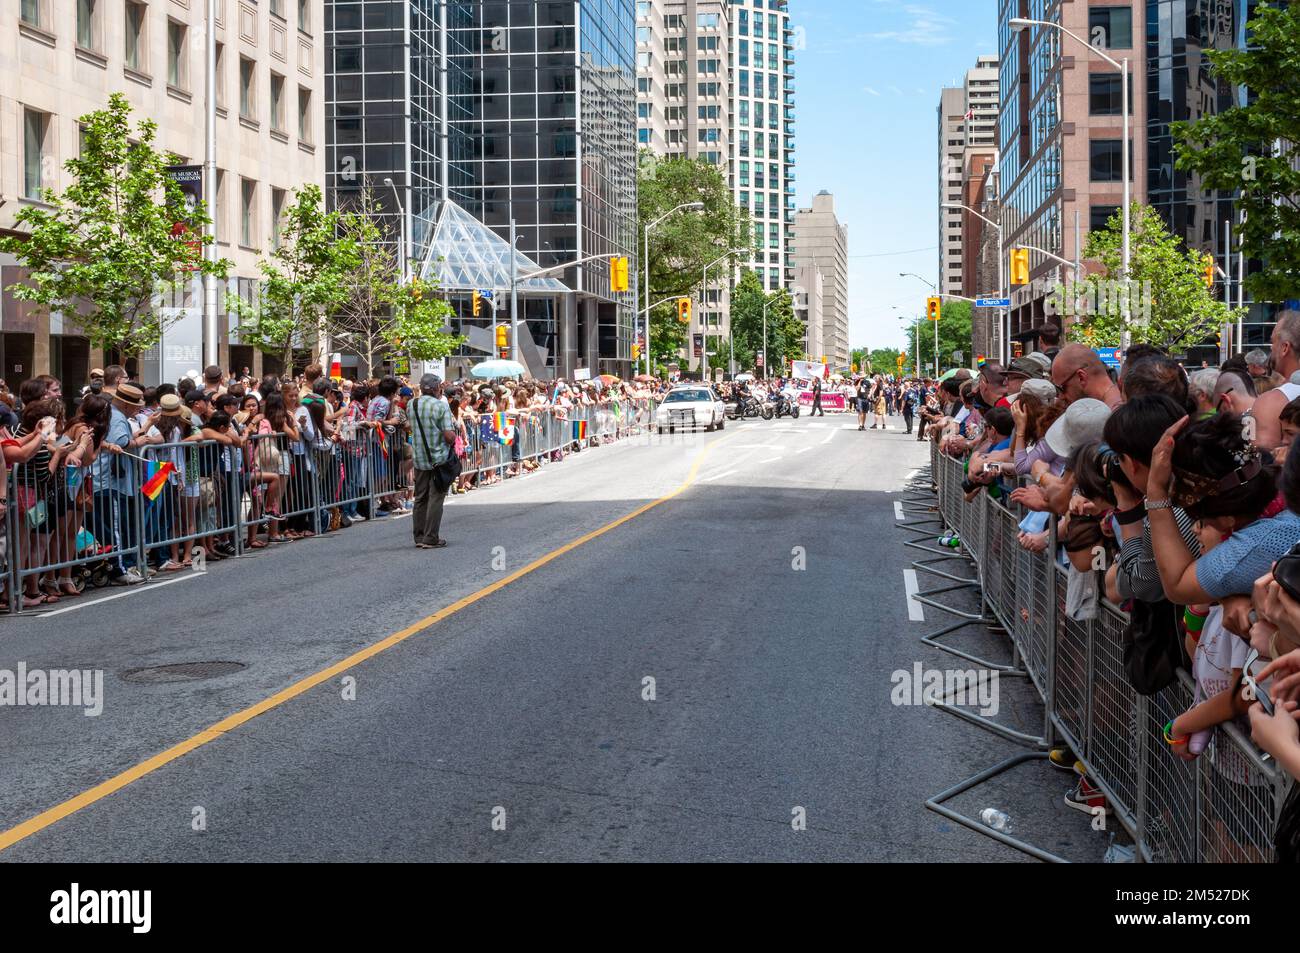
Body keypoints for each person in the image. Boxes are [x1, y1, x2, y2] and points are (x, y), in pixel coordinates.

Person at [407, 373, 456, 549]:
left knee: (420, 498)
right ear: (437, 388)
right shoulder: (440, 406)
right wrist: (452, 438)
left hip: (419, 458)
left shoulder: (411, 404)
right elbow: (449, 435)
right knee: (436, 498)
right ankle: (430, 537)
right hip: (438, 459)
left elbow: (409, 426)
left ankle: (419, 536)